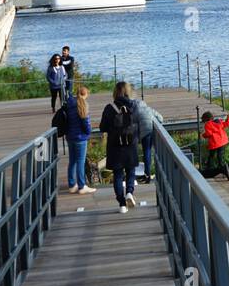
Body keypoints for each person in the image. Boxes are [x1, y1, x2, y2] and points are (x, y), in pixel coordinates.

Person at [100, 82, 140, 212]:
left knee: (117, 175)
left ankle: (122, 204)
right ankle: (129, 191)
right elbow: (138, 122)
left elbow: (103, 127)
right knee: (131, 170)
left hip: (115, 146)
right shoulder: (134, 105)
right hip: (130, 143)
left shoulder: (109, 108)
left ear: (115, 92)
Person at [66, 85, 95, 195]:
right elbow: (86, 124)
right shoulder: (83, 104)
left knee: (72, 161)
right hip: (80, 138)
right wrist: (88, 132)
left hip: (70, 137)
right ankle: (82, 186)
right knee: (80, 162)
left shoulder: (69, 103)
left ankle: (72, 185)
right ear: (85, 94)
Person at [134, 90, 163, 184]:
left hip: (144, 134)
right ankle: (148, 173)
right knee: (150, 152)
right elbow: (160, 118)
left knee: (146, 152)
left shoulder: (136, 111)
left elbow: (133, 124)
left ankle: (147, 174)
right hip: (152, 131)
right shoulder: (149, 109)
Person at [200, 110, 229, 181]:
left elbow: (208, 134)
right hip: (223, 142)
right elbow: (226, 123)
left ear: (205, 119)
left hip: (215, 143)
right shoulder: (218, 121)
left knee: (212, 157)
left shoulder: (207, 124)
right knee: (219, 157)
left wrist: (203, 135)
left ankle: (211, 170)